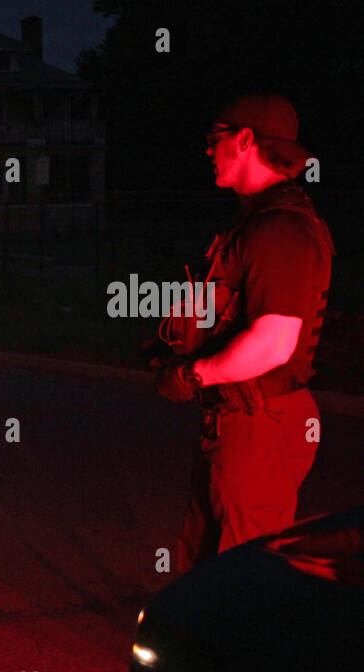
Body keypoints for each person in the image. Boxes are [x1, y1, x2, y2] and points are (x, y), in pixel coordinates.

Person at [154, 93, 334, 572]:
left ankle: (257, 649)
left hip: (260, 421)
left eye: (215, 139)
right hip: (241, 417)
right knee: (206, 562)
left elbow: (274, 342)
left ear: (246, 140)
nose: (208, 150)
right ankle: (194, 646)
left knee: (245, 576)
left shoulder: (280, 228)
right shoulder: (257, 221)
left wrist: (194, 373)